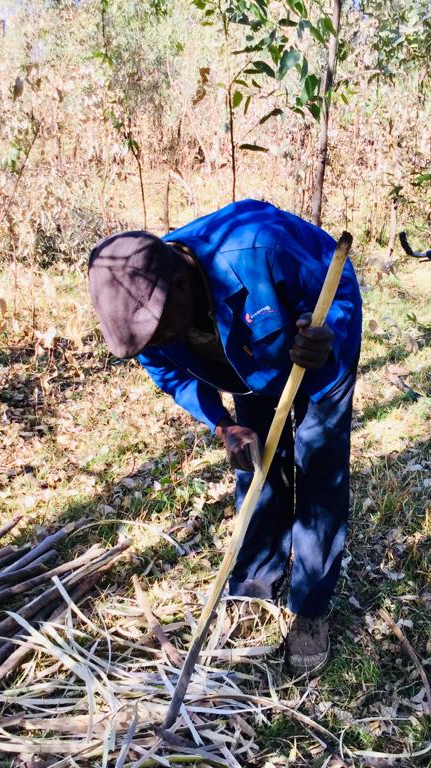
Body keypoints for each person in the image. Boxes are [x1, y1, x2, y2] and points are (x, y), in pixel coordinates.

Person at [87, 199, 362, 672]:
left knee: (318, 472)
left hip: (313, 355)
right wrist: (221, 422)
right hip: (241, 366)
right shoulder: (148, 320)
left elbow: (339, 295)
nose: (155, 344)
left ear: (181, 284)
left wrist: (326, 338)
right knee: (260, 468)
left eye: (158, 332)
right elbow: (172, 375)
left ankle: (311, 607)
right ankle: (255, 584)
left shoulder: (262, 248)